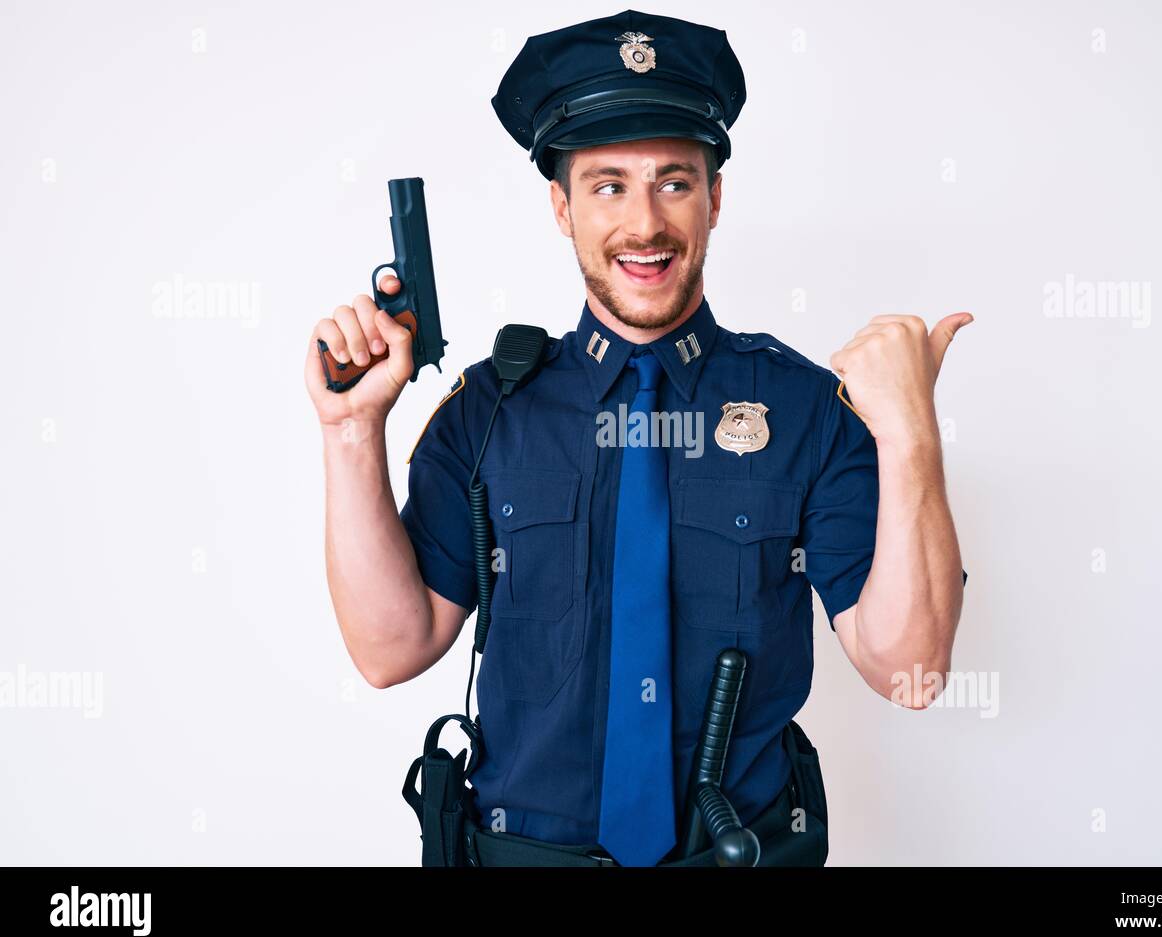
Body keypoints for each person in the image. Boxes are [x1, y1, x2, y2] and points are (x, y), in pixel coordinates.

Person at [304, 9, 969, 867]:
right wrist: (351, 430)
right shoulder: (489, 409)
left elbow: (907, 668)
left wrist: (911, 436)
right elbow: (390, 651)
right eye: (609, 185)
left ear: (715, 197)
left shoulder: (806, 408)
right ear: (562, 207)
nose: (645, 225)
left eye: (675, 182)